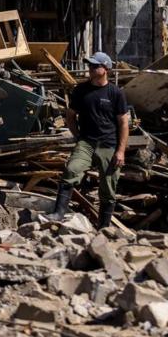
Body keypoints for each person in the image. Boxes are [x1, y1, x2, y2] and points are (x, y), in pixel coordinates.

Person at [52, 51, 130, 227]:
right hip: (86, 142)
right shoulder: (81, 90)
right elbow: (70, 115)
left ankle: (104, 228)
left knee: (108, 187)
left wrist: (121, 151)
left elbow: (124, 123)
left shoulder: (115, 93)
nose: (91, 69)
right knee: (71, 170)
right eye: (90, 65)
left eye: (95, 66)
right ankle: (58, 214)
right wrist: (78, 136)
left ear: (106, 68)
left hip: (109, 145)